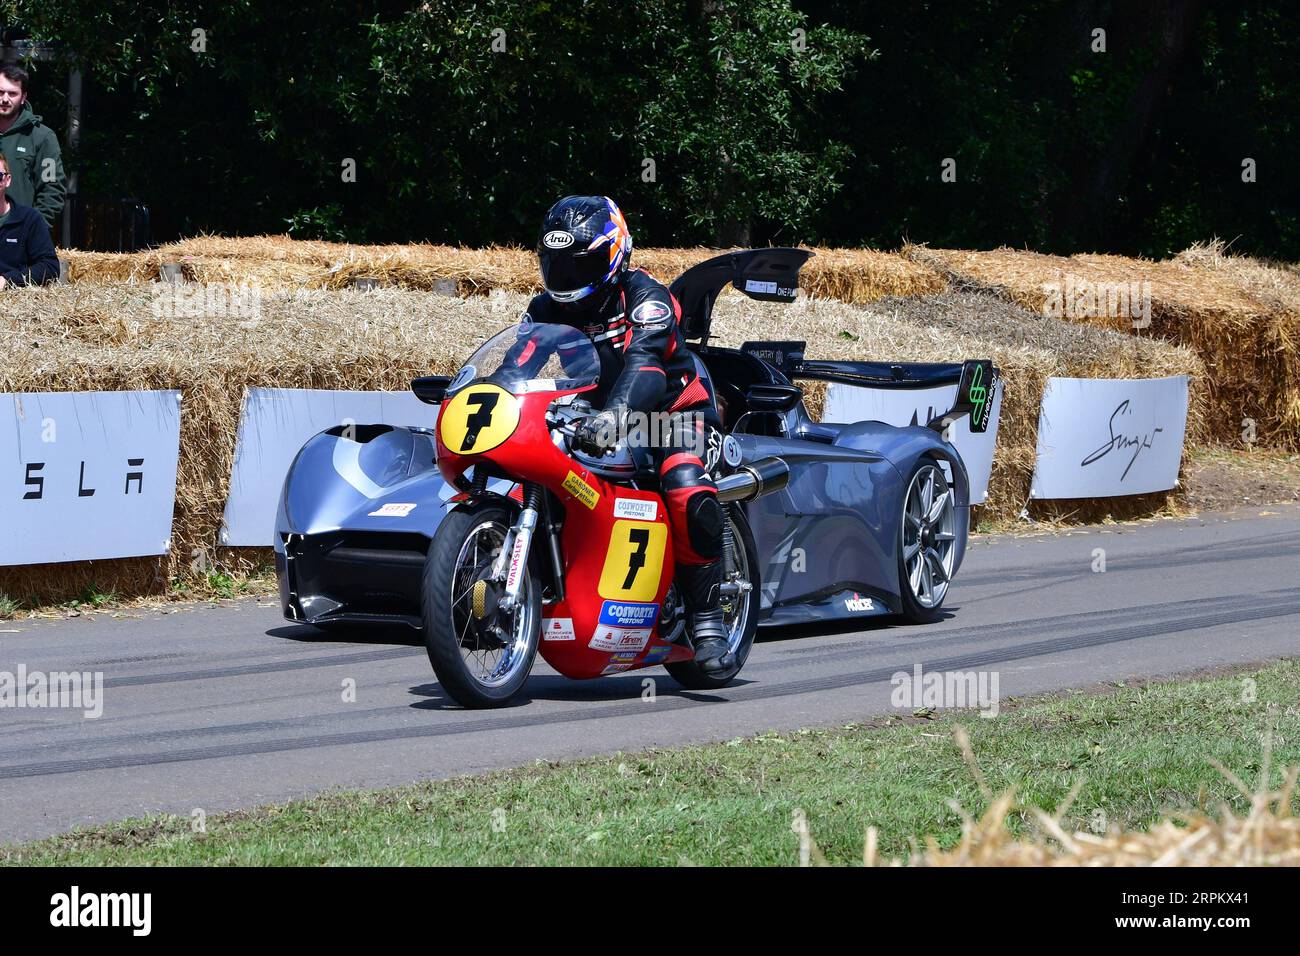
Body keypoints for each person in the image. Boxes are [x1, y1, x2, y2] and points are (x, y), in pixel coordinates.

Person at [523, 195, 732, 673]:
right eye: (558, 265)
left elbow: (645, 370)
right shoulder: (543, 308)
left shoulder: (648, 299)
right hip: (599, 416)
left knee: (683, 485)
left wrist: (613, 419)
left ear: (614, 254)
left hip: (672, 412)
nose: (568, 278)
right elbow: (522, 363)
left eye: (582, 264)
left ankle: (707, 622)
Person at [0, 64, 67, 230]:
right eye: (0, 92)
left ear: (23, 97)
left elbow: (52, 188)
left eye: (12, 93)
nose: (5, 98)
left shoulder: (42, 137)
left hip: (18, 235)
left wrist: (33, 230)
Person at [0, 152, 59, 288]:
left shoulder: (29, 220)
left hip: (15, 301)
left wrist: (7, 280)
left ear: (8, 180)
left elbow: (50, 268)